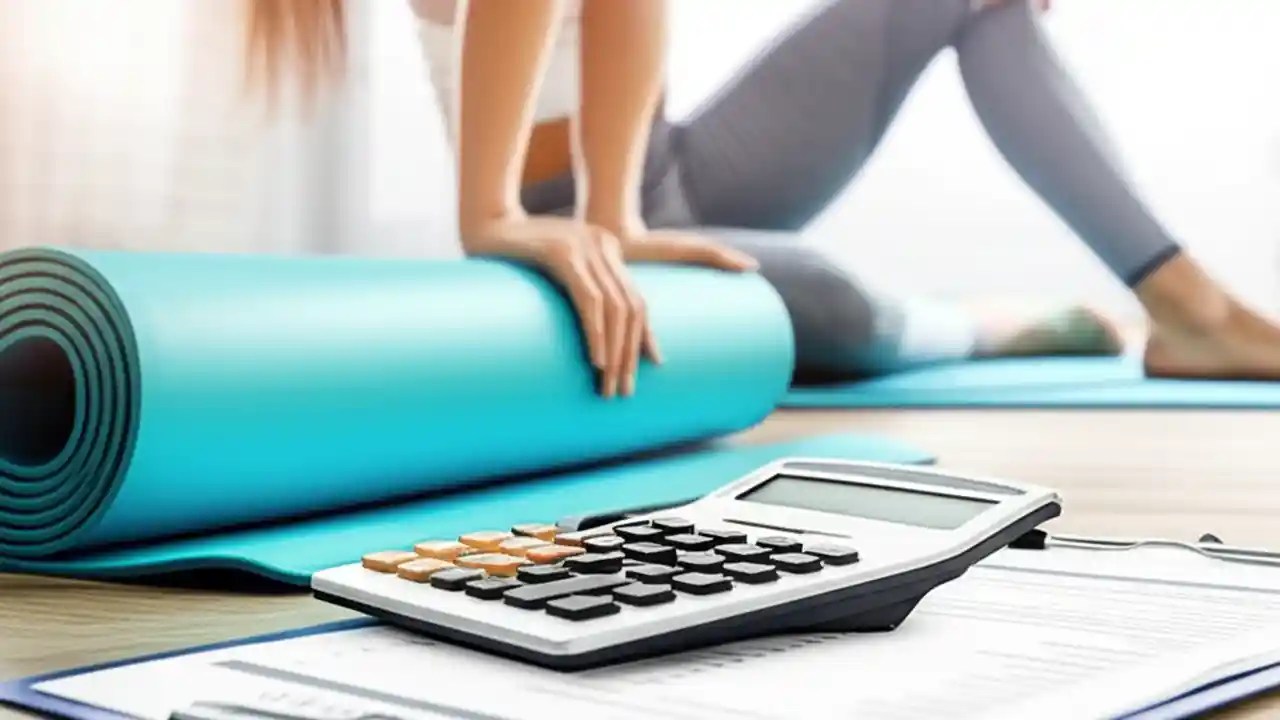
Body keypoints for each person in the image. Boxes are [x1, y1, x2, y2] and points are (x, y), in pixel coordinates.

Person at [244, 0, 1280, 399]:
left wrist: (620, 214)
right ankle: (989, 325)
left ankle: (1191, 308)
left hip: (668, 174)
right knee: (826, 305)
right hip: (557, 214)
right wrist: (494, 218)